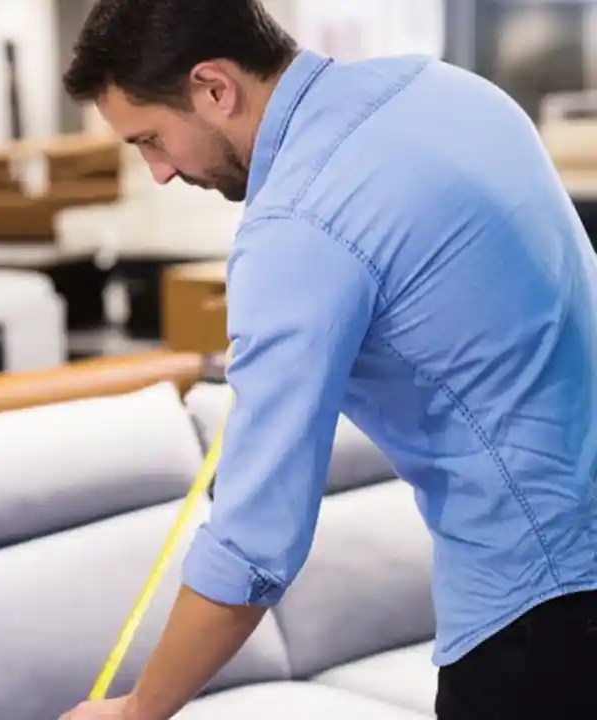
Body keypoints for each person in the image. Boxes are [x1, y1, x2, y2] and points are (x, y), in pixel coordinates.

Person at [58, 1, 597, 719]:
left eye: (151, 139)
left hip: (545, 607)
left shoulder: (296, 225)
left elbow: (253, 548)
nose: (157, 171)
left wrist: (137, 711)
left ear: (215, 87)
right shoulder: (447, 89)